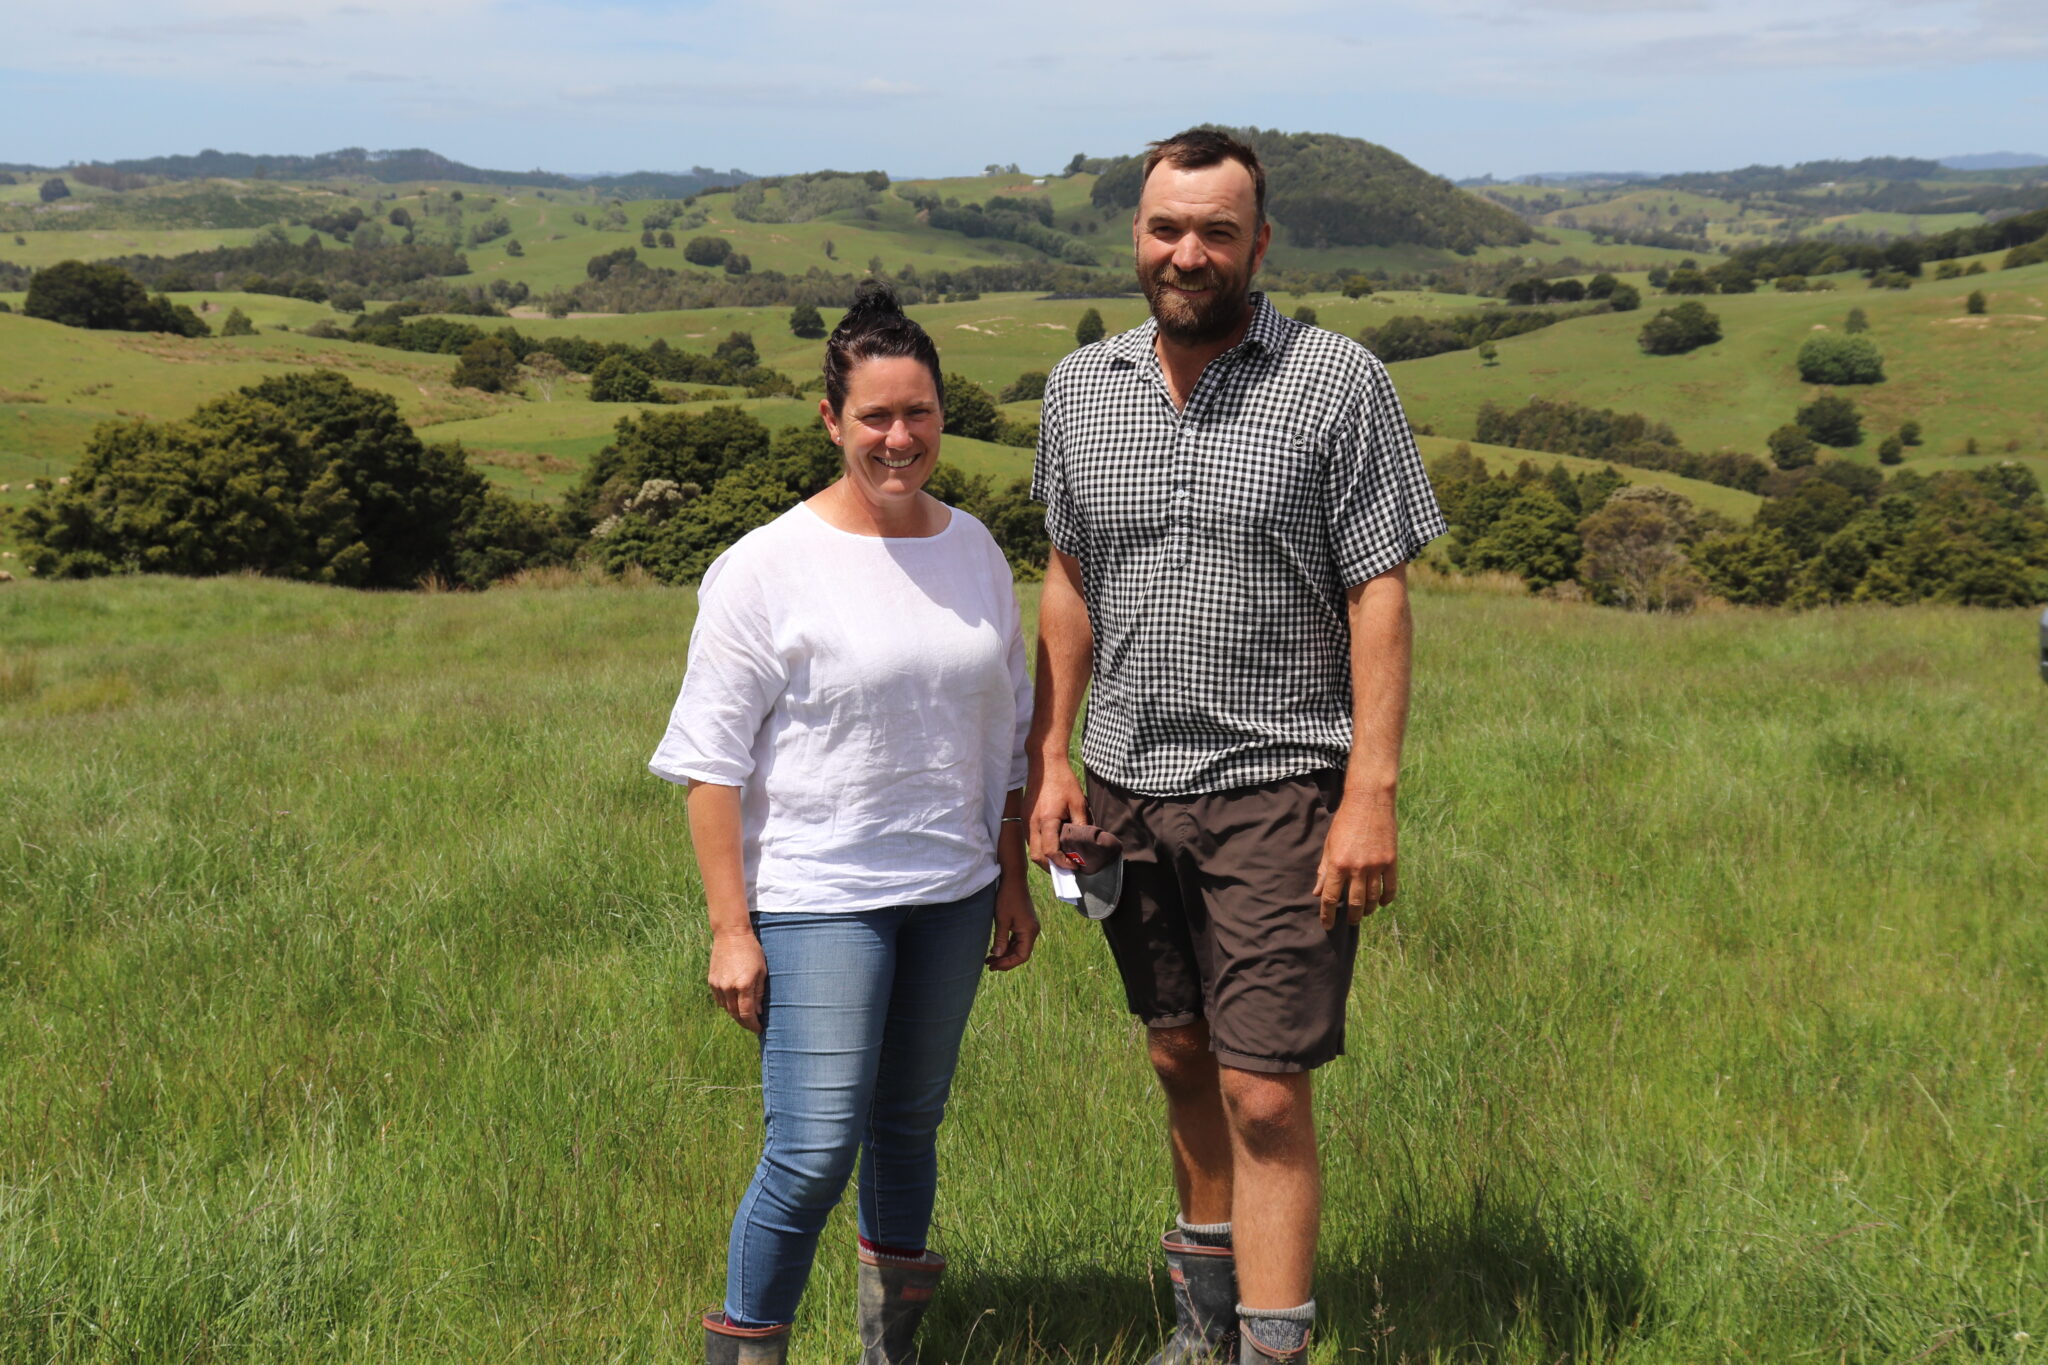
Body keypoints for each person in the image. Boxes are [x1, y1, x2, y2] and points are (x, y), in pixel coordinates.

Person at [1025, 129, 1446, 1365]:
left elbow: (1380, 591)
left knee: (1263, 1085)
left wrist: (1369, 791)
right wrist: (1053, 757)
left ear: (1259, 244)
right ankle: (1198, 1329)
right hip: (1126, 790)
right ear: (1135, 235)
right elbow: (1067, 575)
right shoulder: (1079, 389)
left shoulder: (1337, 384)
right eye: (1166, 229)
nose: (1187, 253)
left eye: (1216, 231)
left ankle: (1271, 1347)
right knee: (1176, 1053)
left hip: (1278, 787)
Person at [650, 282, 1039, 1365]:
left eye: (916, 413)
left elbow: (1007, 727)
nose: (898, 437)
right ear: (830, 420)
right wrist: (732, 930)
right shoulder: (763, 568)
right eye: (873, 416)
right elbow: (708, 765)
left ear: (941, 416)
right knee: (814, 1148)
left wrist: (1008, 878)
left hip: (953, 892)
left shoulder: (972, 550)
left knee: (907, 1127)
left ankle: (888, 1353)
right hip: (820, 901)